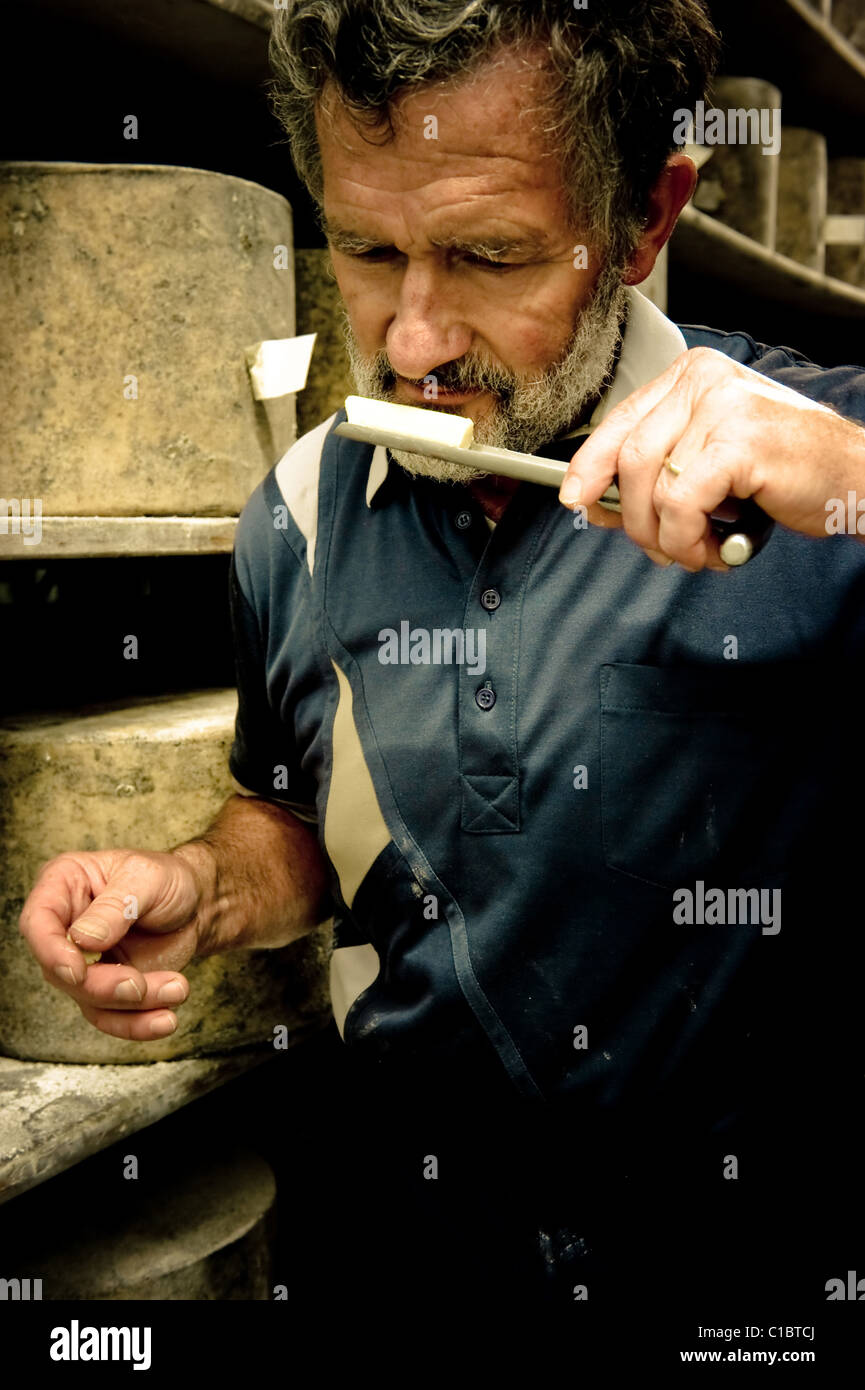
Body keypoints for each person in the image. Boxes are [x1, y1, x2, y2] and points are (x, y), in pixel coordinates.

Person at [19, 0, 865, 1324]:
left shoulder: (825, 468)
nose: (408, 341)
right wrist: (206, 885)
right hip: (412, 1267)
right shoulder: (295, 514)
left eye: (486, 254)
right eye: (364, 246)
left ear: (646, 217)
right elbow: (299, 811)